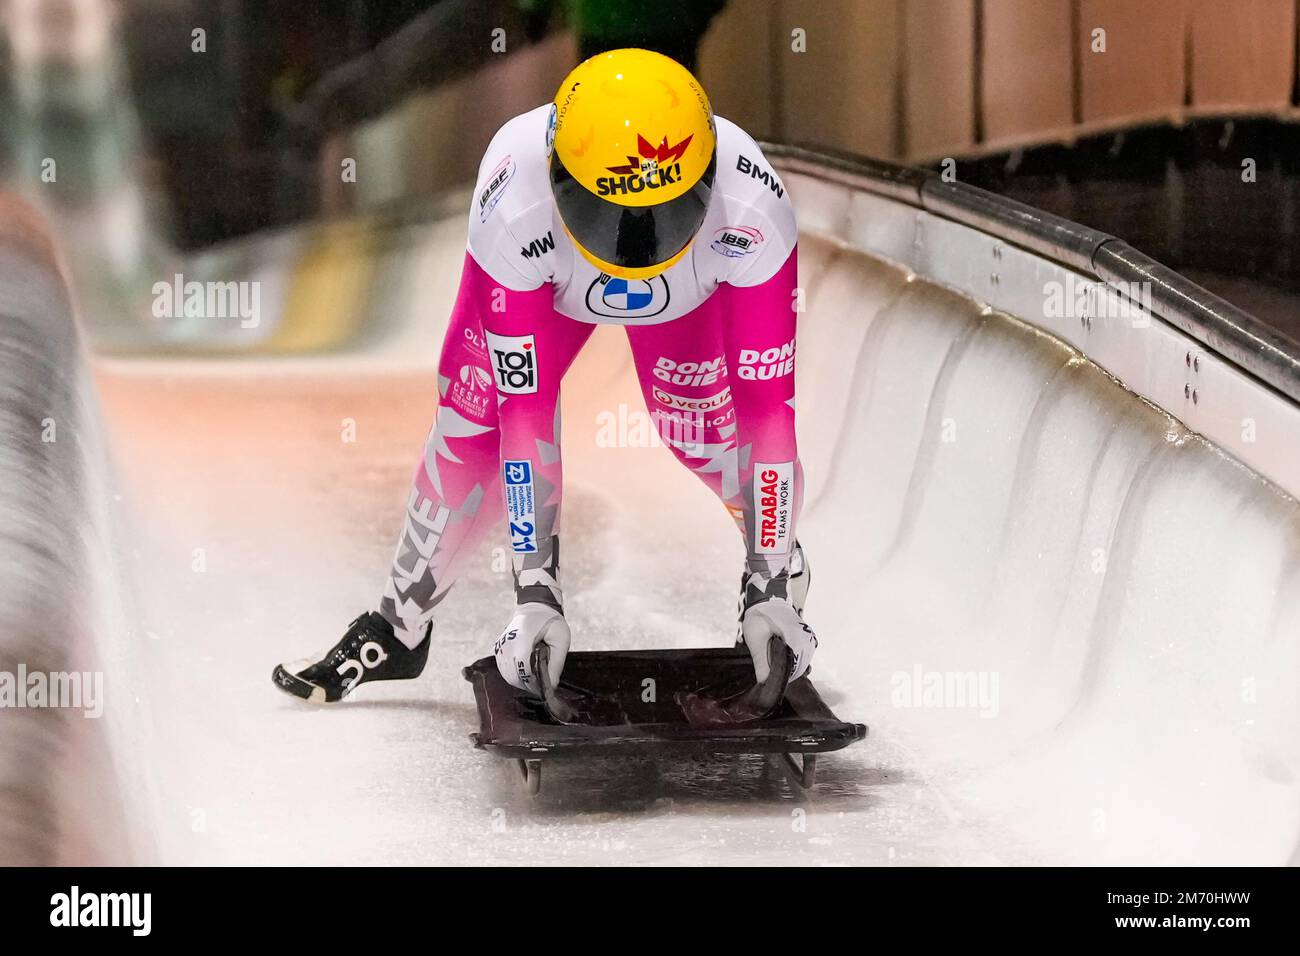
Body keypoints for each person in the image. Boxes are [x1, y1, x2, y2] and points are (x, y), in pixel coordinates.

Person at [273, 48, 816, 704]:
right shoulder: (513, 203)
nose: (632, 248)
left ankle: (776, 569)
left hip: (688, 292)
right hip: (550, 285)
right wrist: (537, 593)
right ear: (559, 179)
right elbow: (523, 411)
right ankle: (398, 624)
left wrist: (770, 584)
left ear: (706, 182)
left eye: (663, 213)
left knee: (700, 429)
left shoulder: (753, 209)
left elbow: (766, 411)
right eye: (607, 214)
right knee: (473, 420)